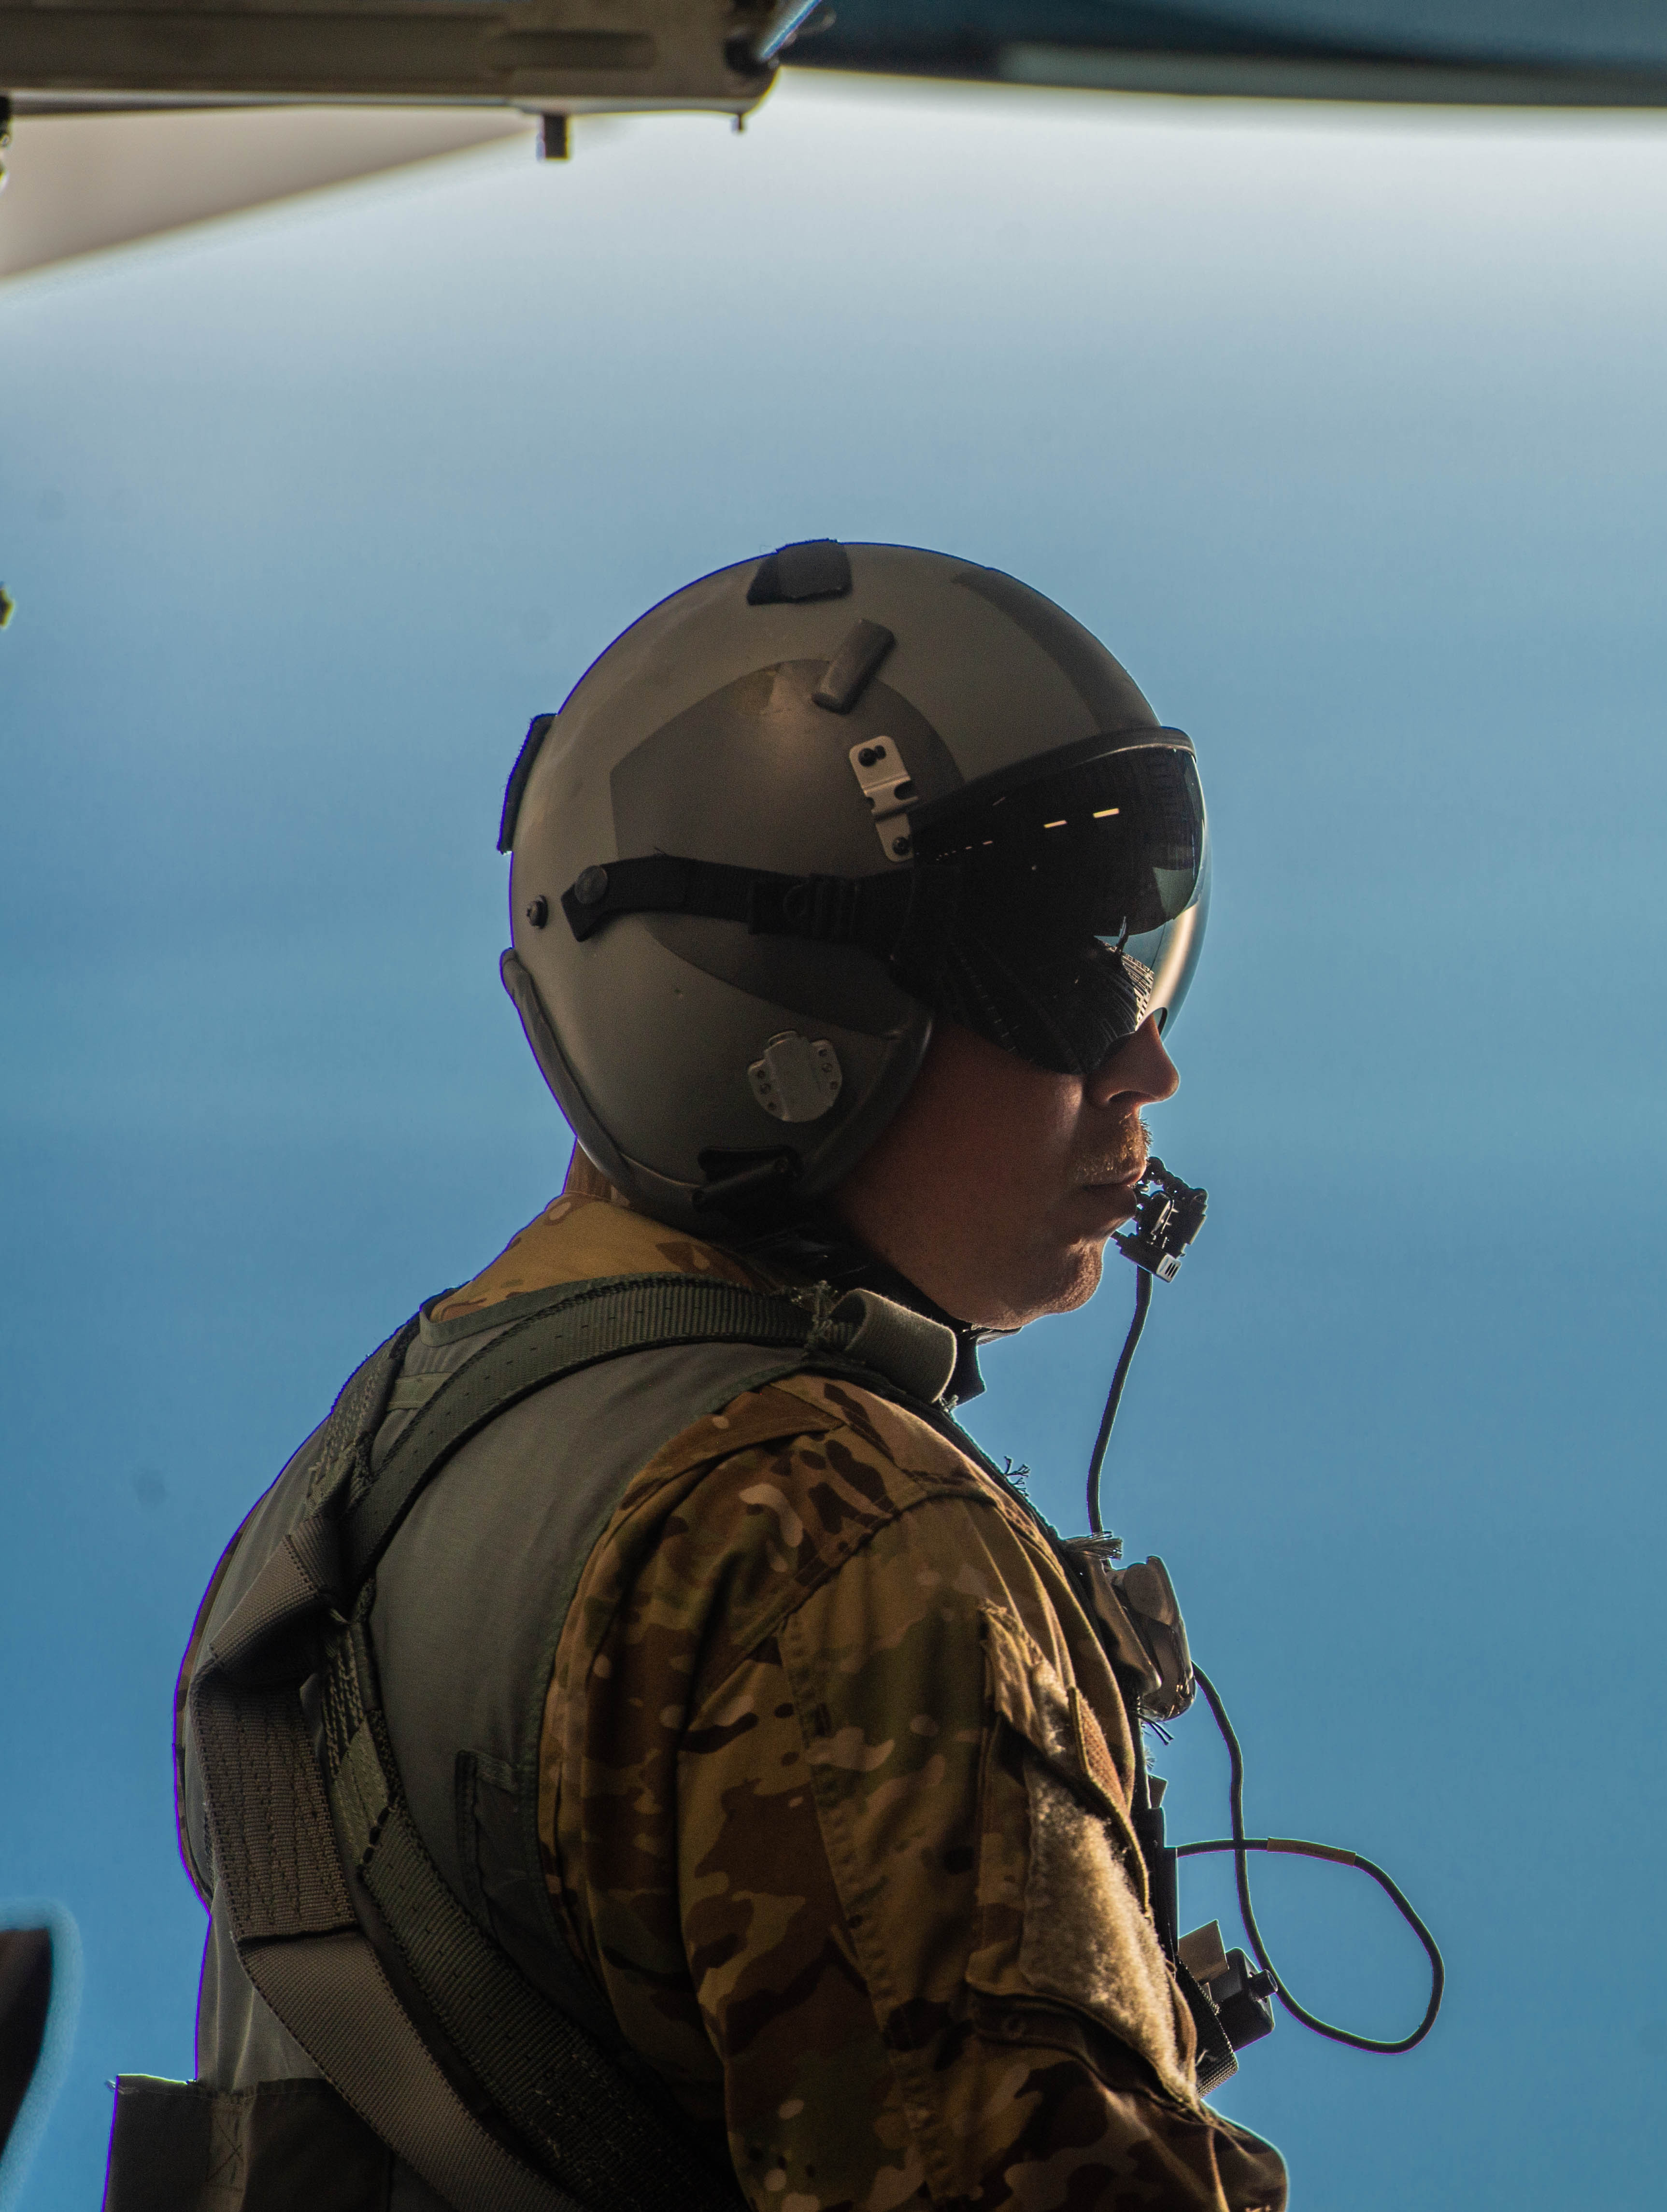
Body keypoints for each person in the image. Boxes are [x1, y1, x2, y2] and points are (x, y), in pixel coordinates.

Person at [103, 542, 1289, 2212]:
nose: (1145, 1056)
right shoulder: (839, 1544)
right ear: (793, 1019)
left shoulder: (397, 1454)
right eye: (1064, 975)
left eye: (1142, 961)